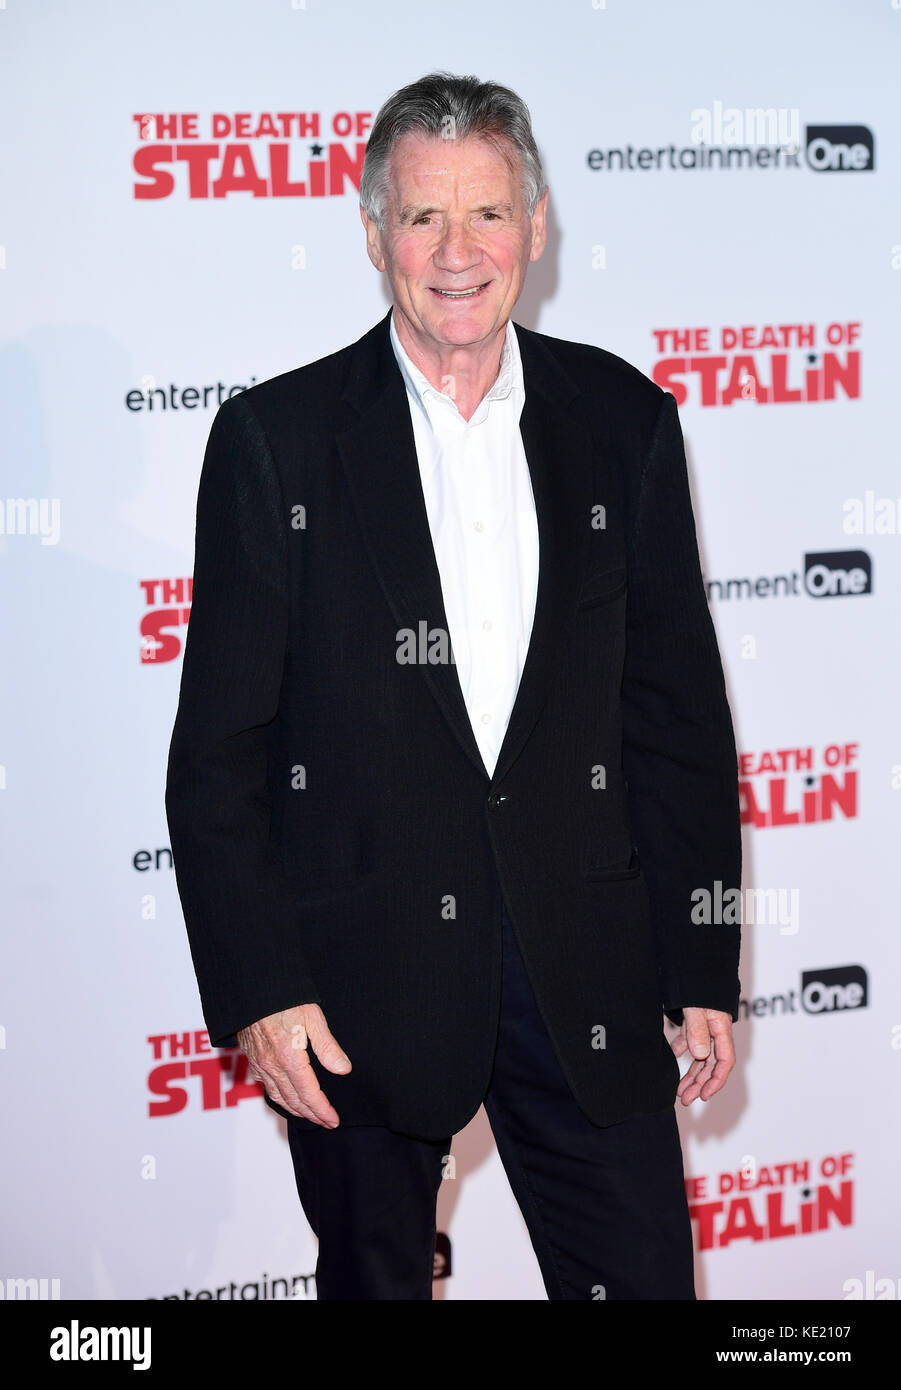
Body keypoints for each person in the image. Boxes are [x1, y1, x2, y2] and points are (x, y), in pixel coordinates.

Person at [165, 70, 742, 1301]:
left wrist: (698, 958)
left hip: (584, 968)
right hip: (356, 986)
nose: (457, 251)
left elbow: (676, 721)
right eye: (423, 218)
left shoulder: (623, 421)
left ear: (535, 228)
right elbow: (219, 752)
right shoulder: (279, 440)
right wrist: (261, 987)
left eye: (486, 214)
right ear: (374, 234)